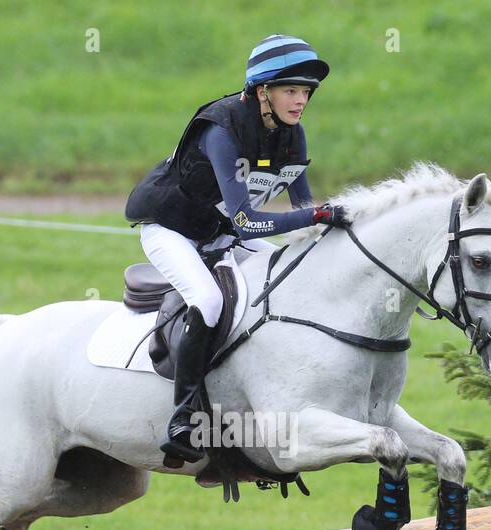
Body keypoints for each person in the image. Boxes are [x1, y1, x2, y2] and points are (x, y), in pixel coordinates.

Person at [125, 34, 350, 463]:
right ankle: (184, 415)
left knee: (280, 271)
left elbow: (303, 208)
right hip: (171, 230)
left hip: (220, 229)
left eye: (305, 91)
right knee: (208, 300)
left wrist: (326, 228)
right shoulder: (221, 129)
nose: (300, 100)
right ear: (262, 91)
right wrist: (316, 216)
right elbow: (248, 221)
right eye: (290, 90)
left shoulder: (290, 134)